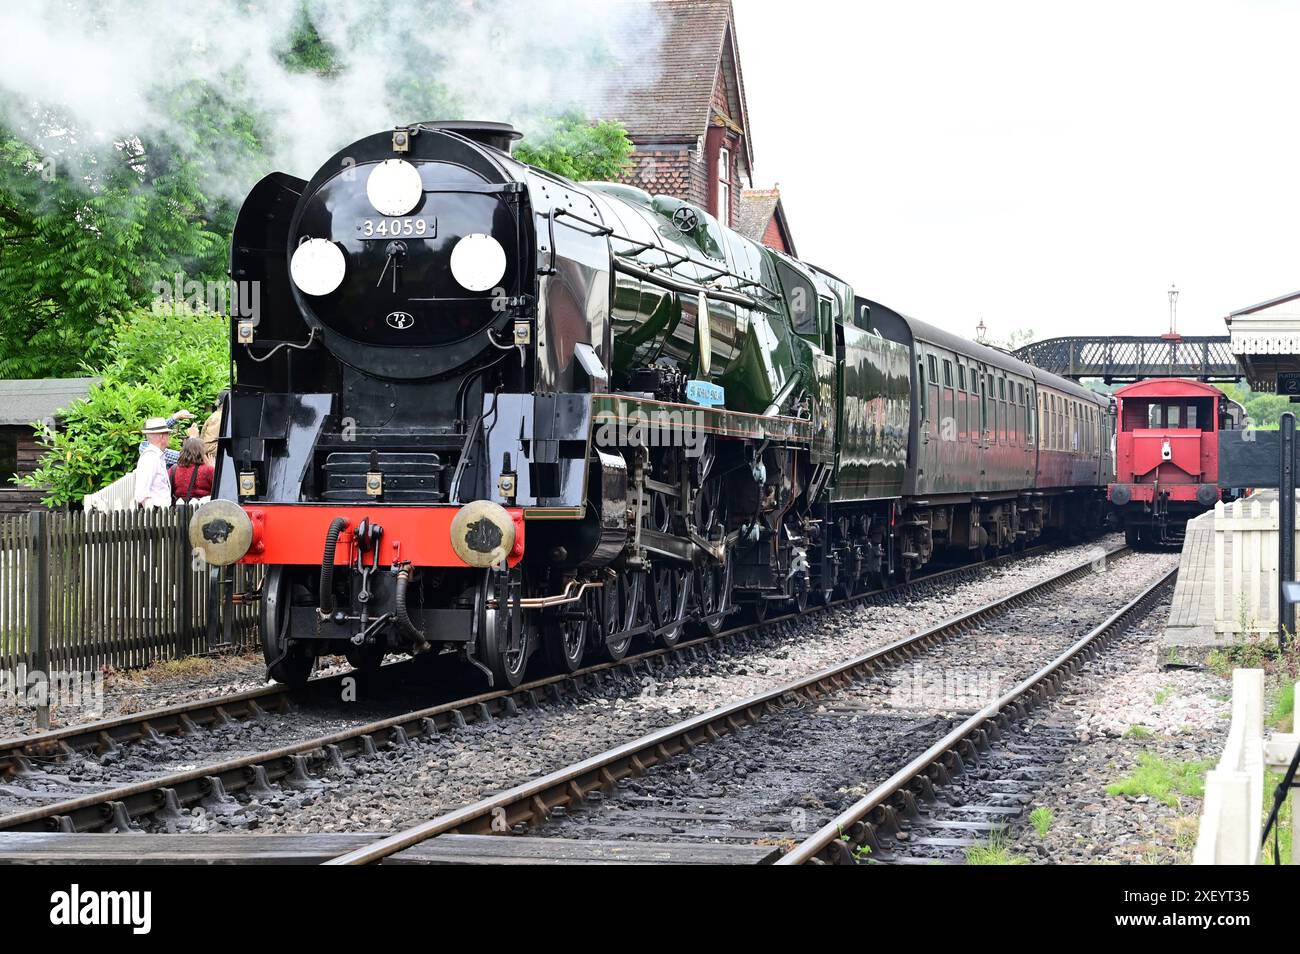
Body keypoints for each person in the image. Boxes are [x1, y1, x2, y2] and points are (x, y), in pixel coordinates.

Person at [134, 417, 175, 508]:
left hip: (160, 512)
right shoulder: (150, 458)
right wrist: (152, 515)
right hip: (155, 513)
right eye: (167, 434)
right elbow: (141, 493)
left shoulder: (157, 456)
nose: (169, 437)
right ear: (161, 436)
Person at [170, 437, 214, 503]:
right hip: (204, 509)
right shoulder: (208, 470)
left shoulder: (174, 469)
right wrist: (214, 468)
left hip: (180, 508)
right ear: (201, 452)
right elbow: (219, 490)